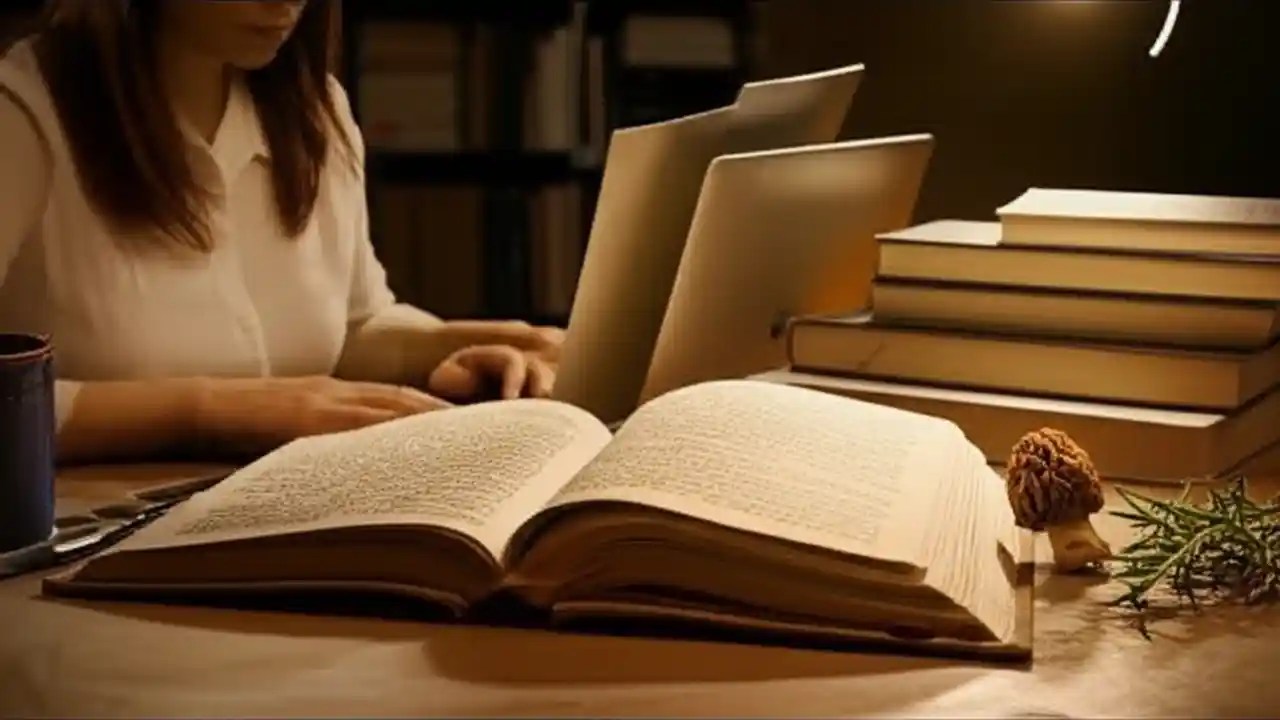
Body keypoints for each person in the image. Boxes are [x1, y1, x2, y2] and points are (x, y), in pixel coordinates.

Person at [0, 0, 564, 464]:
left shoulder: (316, 111)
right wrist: (207, 412)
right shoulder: (23, 116)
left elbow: (351, 327)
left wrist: (451, 345)